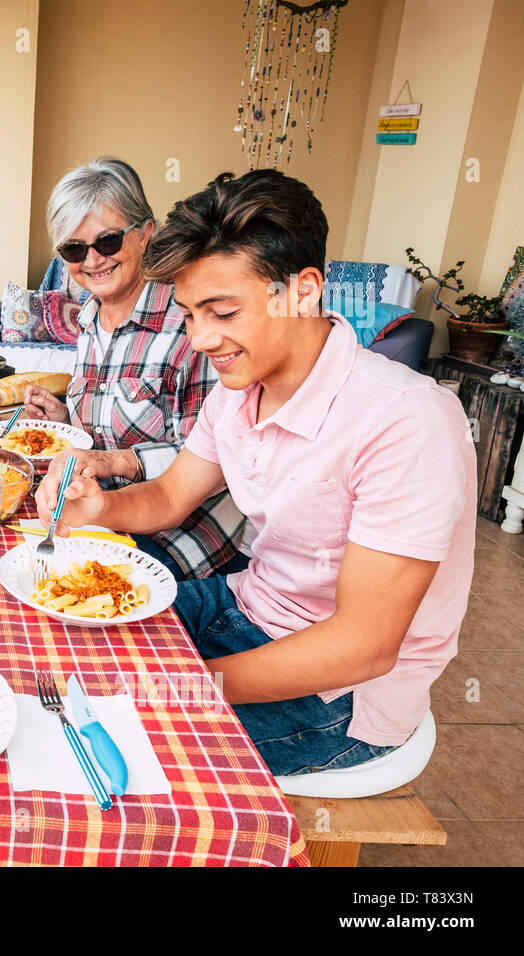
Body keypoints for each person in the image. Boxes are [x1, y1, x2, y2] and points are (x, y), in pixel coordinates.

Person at [37, 169, 475, 776]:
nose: (200, 339)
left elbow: (365, 645)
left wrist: (174, 686)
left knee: (104, 738)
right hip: (241, 604)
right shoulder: (239, 391)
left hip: (341, 692)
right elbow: (168, 494)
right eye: (190, 314)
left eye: (222, 312)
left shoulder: (407, 420)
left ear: (303, 290)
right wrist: (99, 507)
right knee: (55, 654)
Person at [22, 157, 246, 579]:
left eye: (107, 241)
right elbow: (104, 428)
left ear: (145, 235)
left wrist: (112, 461)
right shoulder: (89, 320)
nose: (92, 260)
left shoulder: (190, 325)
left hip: (181, 541)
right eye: (73, 248)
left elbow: (212, 463)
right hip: (105, 516)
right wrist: (63, 417)